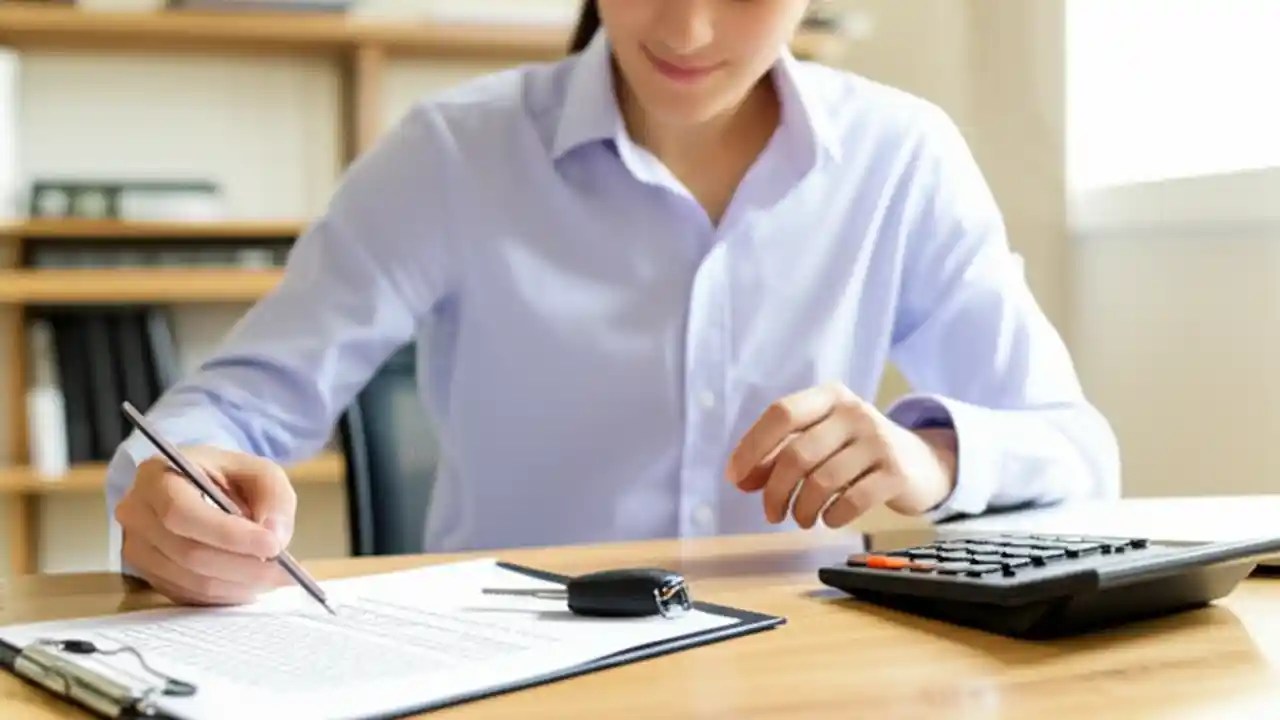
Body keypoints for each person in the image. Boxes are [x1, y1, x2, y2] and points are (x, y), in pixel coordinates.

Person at [106, 0, 1119, 606]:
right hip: (497, 673)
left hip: (803, 671)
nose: (683, 27)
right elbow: (229, 410)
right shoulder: (450, 155)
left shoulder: (903, 157)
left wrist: (929, 458)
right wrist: (164, 486)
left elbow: (1074, 449)